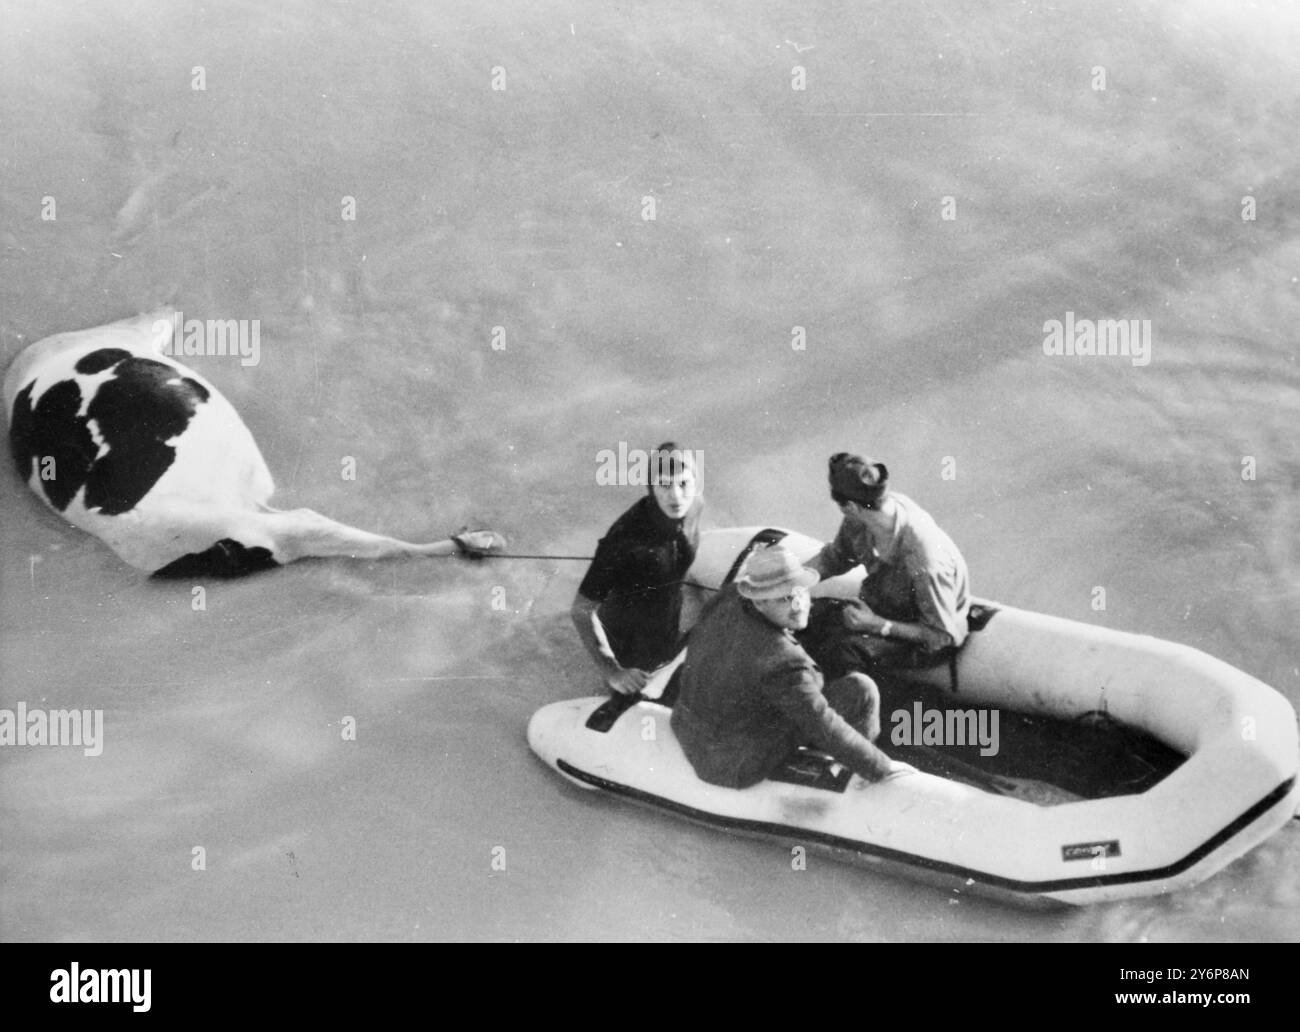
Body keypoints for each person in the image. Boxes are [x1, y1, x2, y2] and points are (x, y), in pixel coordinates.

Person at [670, 541, 900, 789]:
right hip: (733, 762)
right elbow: (822, 723)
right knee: (861, 690)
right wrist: (883, 768)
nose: (799, 605)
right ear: (759, 602)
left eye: (801, 591)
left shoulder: (729, 597)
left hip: (692, 727)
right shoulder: (783, 660)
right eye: (785, 599)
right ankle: (857, 781)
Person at [801, 453, 970, 685]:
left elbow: (942, 636)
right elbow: (835, 559)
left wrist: (878, 625)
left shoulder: (923, 559)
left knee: (843, 652)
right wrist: (791, 581)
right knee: (808, 616)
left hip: (923, 637)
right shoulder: (863, 516)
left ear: (849, 506)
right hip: (882, 606)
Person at [571, 442, 703, 696]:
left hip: (668, 622)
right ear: (651, 488)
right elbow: (580, 610)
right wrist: (613, 671)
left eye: (683, 484)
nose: (676, 496)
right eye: (665, 485)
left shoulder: (696, 506)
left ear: (695, 484)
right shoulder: (625, 540)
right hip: (627, 639)